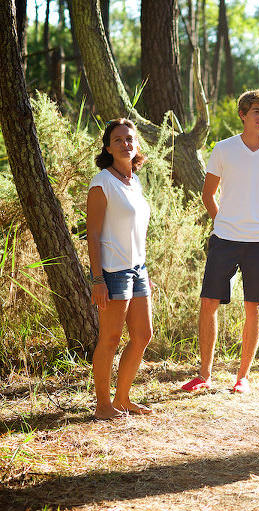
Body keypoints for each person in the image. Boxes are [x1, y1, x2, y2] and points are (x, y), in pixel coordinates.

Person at [181, 89, 259, 394]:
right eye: (257, 111)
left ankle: (243, 377)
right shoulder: (224, 149)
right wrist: (222, 222)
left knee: (253, 306)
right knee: (209, 303)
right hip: (225, 238)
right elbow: (208, 194)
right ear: (243, 115)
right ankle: (204, 374)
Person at [87, 118, 153, 419]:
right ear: (108, 147)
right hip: (113, 272)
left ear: (136, 143)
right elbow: (93, 234)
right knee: (111, 338)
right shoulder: (102, 182)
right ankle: (103, 405)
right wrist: (97, 279)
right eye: (118, 140)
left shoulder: (134, 181)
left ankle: (123, 398)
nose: (126, 143)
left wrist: (144, 268)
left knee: (143, 335)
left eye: (130, 138)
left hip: (138, 269)